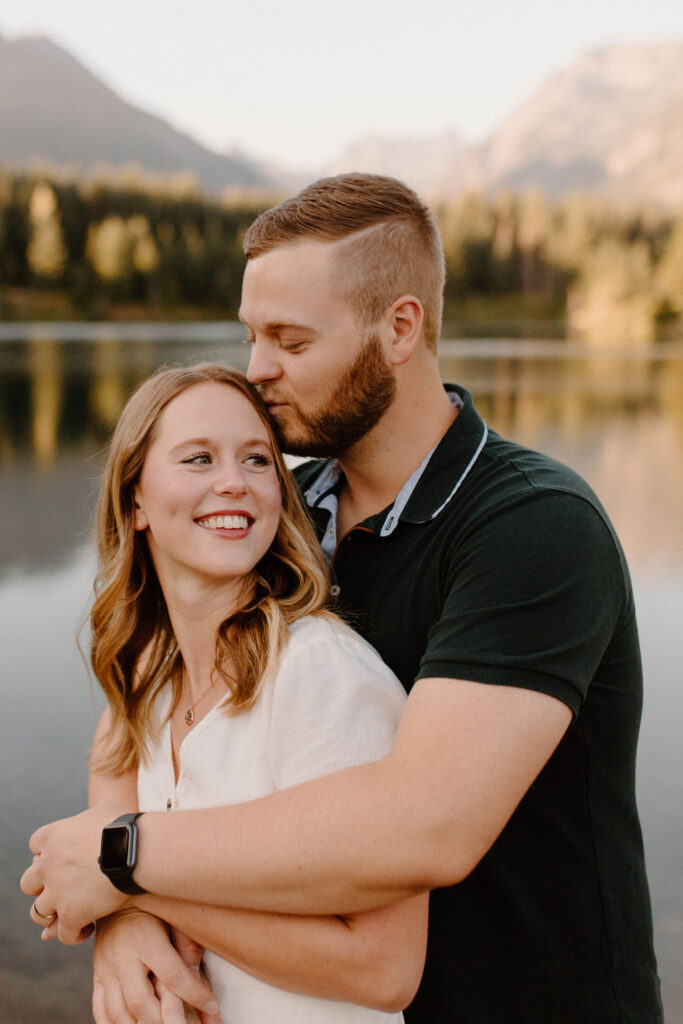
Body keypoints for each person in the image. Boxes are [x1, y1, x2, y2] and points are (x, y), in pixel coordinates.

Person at [22, 174, 663, 1024]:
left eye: (289, 339)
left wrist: (122, 858)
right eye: (250, 335)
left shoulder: (531, 529)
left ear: (399, 328)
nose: (257, 369)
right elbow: (142, 691)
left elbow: (424, 824)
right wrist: (129, 908)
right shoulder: (280, 516)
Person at [24, 361, 428, 1023]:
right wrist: (122, 918)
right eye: (198, 458)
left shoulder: (319, 674)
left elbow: (383, 970)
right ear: (137, 500)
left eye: (257, 460)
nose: (233, 484)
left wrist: (124, 886)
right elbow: (111, 777)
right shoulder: (150, 675)